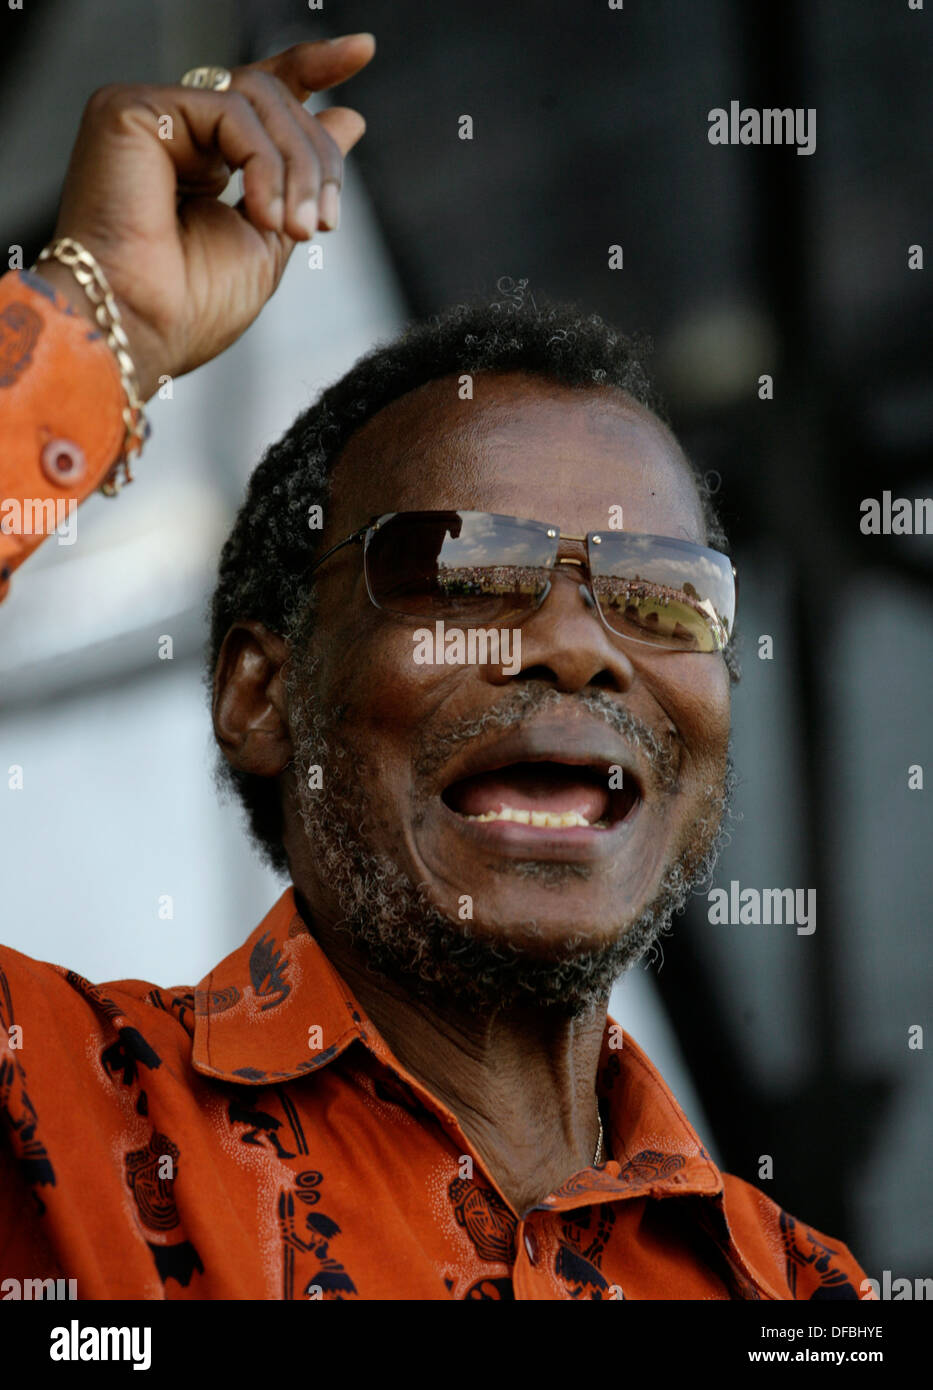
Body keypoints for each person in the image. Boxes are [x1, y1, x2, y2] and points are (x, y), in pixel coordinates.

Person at [0, 35, 870, 1301]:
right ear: (261, 694)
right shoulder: (57, 1125)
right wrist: (103, 326)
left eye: (662, 595)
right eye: (464, 570)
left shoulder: (805, 1298)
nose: (580, 645)